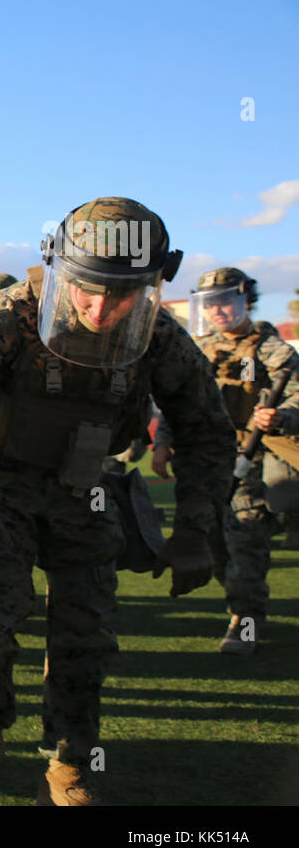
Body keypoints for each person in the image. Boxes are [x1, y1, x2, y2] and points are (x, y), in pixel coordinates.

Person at [0, 197, 234, 806]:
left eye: (121, 295)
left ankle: (68, 764)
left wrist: (197, 530)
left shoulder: (162, 340)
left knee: (85, 635)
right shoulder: (4, 321)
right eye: (87, 290)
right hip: (0, 484)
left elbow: (207, 430)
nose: (100, 308)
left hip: (87, 488)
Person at [152, 267, 299, 655]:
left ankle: (245, 624)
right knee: (213, 544)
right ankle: (242, 608)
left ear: (245, 301)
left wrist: (281, 416)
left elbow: (298, 395)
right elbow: (176, 401)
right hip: (207, 461)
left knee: (246, 540)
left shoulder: (273, 349)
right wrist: (162, 444)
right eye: (211, 304)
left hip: (253, 457)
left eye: (226, 302)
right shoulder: (198, 349)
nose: (218, 312)